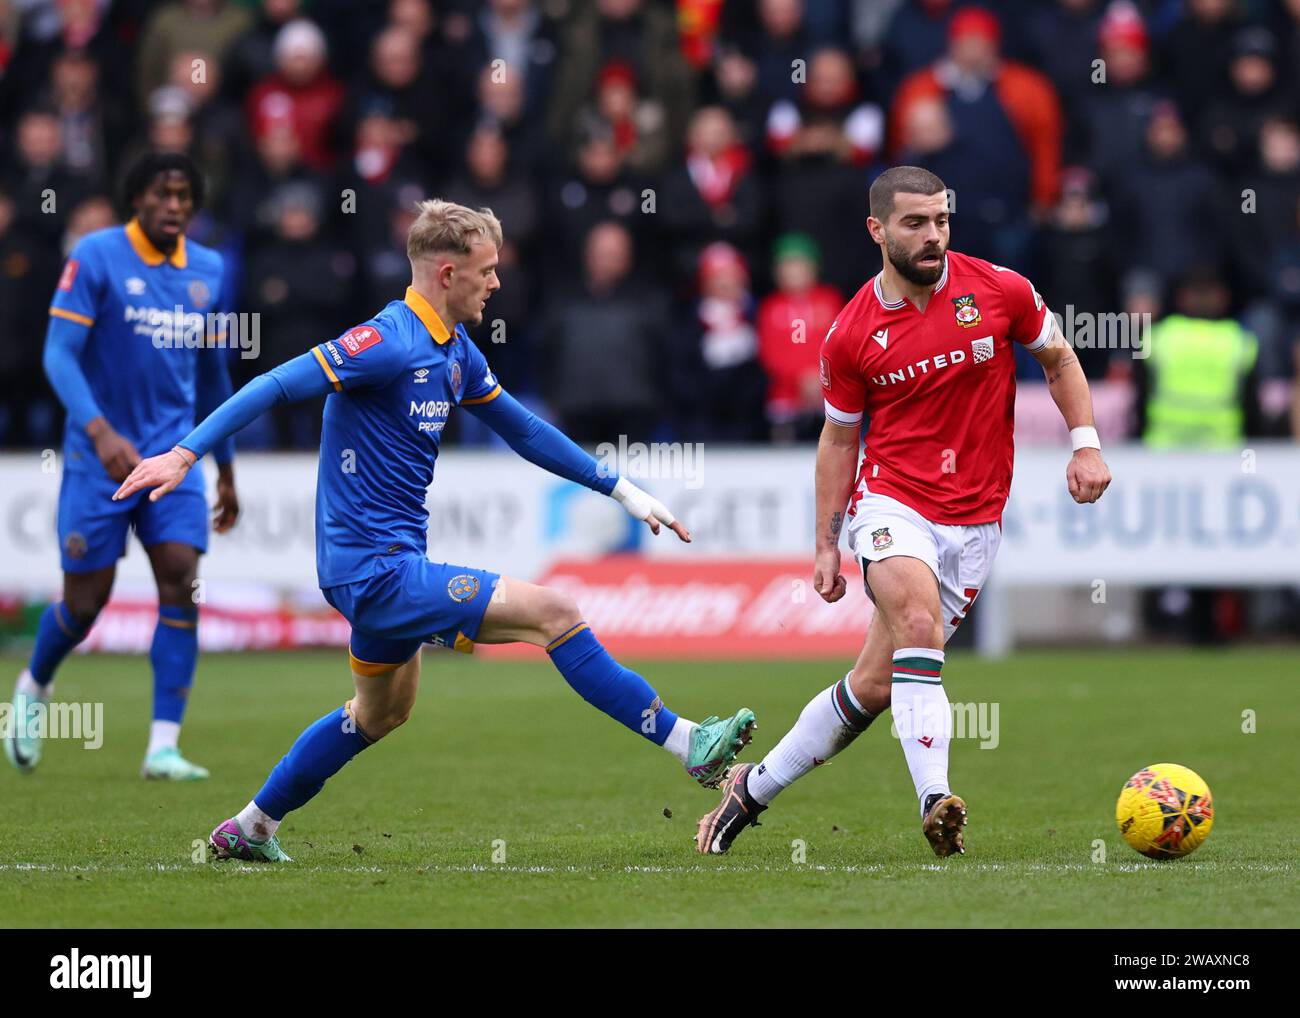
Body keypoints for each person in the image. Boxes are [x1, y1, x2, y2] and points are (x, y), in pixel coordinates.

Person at [114, 199, 756, 863]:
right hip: (374, 570)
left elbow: (525, 431)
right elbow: (275, 384)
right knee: (554, 611)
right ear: (447, 273)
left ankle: (249, 828)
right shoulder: (386, 341)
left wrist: (621, 489)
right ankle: (691, 747)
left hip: (387, 565)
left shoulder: (456, 352)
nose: (497, 283)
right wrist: (185, 454)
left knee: (380, 714)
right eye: (487, 270)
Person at [696, 166, 1111, 857]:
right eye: (916, 223)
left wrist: (1086, 446)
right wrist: (829, 541)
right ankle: (934, 798)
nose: (933, 235)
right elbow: (838, 438)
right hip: (893, 503)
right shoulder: (851, 333)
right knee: (918, 622)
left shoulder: (1000, 289)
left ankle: (753, 787)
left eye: (941, 220)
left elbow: (1060, 358)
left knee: (878, 683)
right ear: (877, 230)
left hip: (977, 518)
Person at [5, 152, 238, 781]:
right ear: (136, 197)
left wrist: (226, 467)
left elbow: (216, 375)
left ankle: (163, 744)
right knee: (86, 603)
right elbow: (59, 355)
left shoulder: (210, 270)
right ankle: (34, 685)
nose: (174, 206)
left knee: (181, 576)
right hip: (96, 459)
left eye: (185, 196)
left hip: (172, 459)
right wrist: (100, 429)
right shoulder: (96, 255)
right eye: (163, 194)